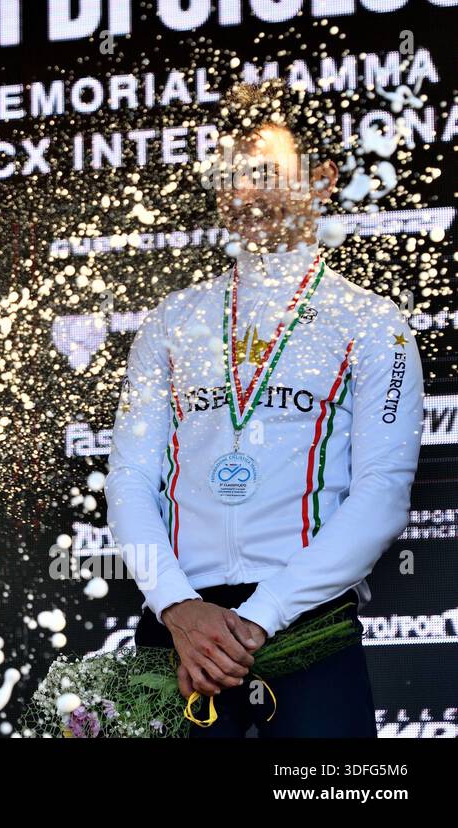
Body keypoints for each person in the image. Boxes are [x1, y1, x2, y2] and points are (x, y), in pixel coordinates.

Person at [106, 82, 424, 737]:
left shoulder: (372, 324)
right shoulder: (173, 320)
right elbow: (130, 480)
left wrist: (262, 616)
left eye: (264, 172)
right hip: (179, 630)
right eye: (231, 174)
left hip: (309, 627)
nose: (244, 191)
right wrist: (178, 607)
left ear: (322, 180)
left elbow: (383, 493)